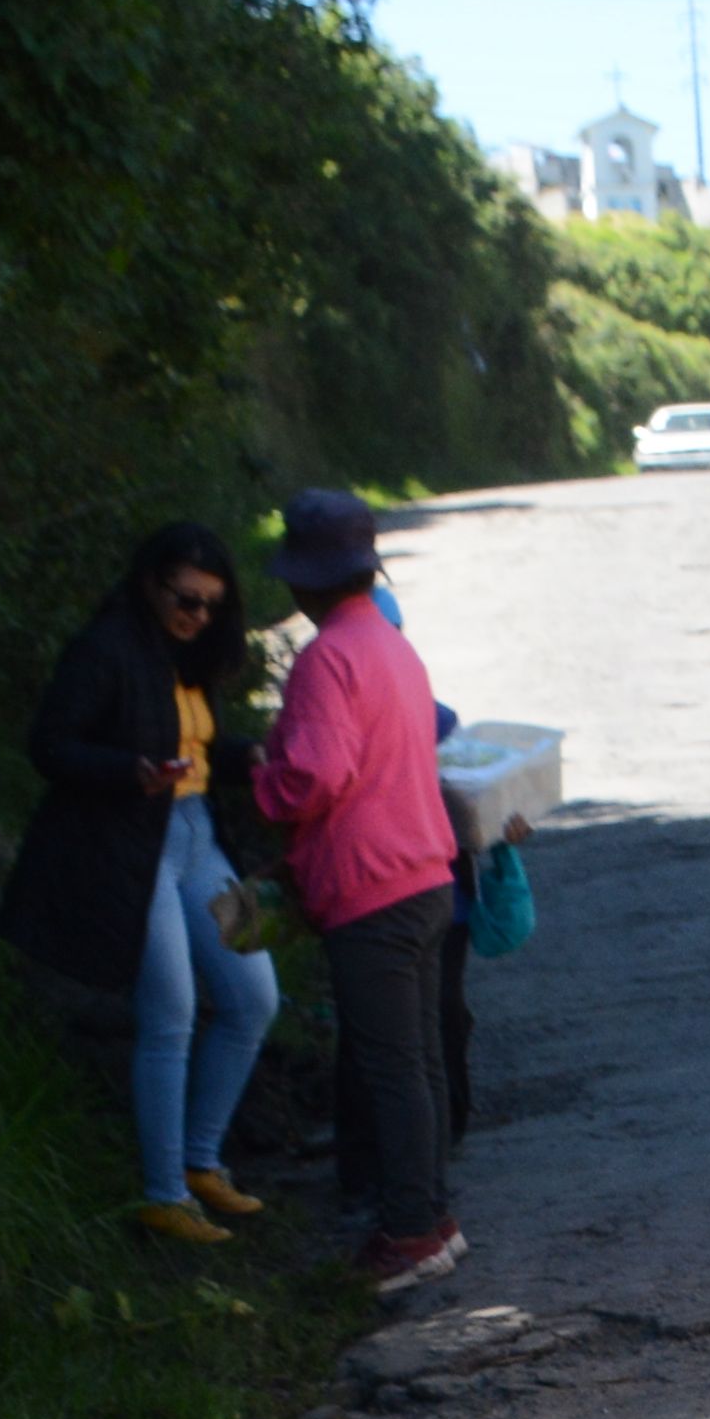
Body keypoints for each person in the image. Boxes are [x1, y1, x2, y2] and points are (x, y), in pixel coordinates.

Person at [0, 523, 282, 1245]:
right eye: (187, 599)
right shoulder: (107, 648)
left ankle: (199, 1162)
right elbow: (51, 744)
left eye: (212, 605)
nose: (198, 615)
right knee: (172, 1011)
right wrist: (129, 771)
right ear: (150, 583)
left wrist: (253, 755)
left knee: (254, 995)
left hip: (198, 836)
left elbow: (201, 746)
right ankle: (164, 1194)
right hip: (133, 844)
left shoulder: (190, 655)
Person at [248, 487, 467, 1289]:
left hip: (369, 890)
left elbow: (319, 775)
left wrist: (263, 785)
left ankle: (410, 1232)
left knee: (390, 1066)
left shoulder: (325, 661)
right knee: (421, 1063)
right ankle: (434, 1218)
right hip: (425, 878)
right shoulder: (392, 647)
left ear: (303, 582)